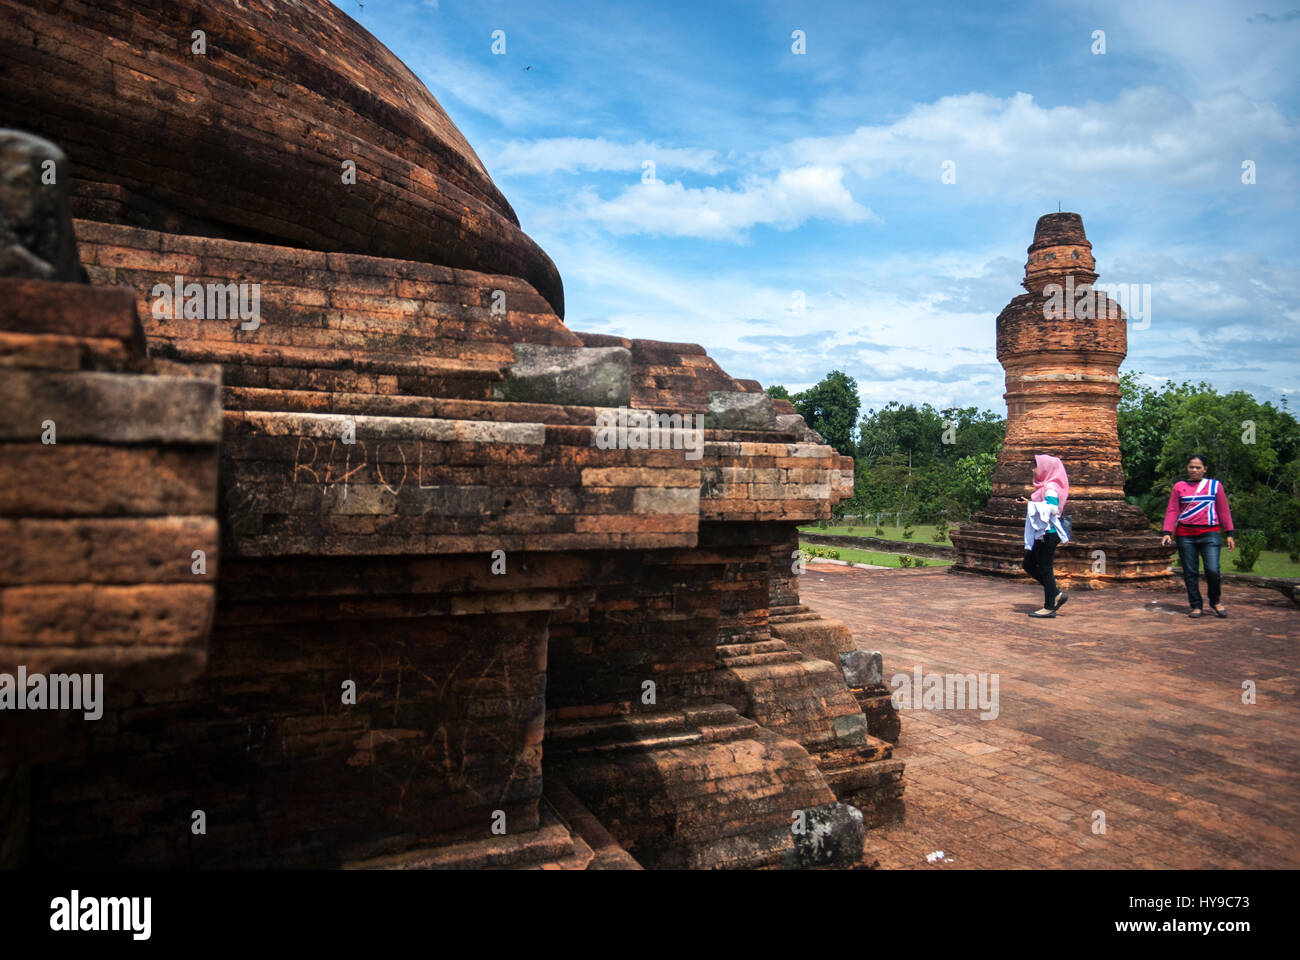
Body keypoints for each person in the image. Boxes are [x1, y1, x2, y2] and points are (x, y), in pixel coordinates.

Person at [1161, 454, 1235, 618]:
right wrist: (1166, 532)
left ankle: (1215, 601)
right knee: (1190, 572)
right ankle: (1196, 605)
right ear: (1187, 468)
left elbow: (1223, 510)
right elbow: (1172, 510)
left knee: (1212, 570)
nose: (1194, 470)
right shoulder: (1179, 487)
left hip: (1210, 534)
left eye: (1198, 467)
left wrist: (1229, 533)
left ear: (1205, 469)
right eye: (1191, 467)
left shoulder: (1215, 486)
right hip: (1185, 535)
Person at [1017, 454, 1071, 618]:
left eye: (1036, 466)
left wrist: (1030, 504)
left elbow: (1053, 509)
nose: (1034, 470)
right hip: (1043, 534)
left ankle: (1049, 607)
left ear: (1046, 469)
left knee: (1046, 569)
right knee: (1029, 564)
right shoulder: (1045, 487)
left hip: (1049, 534)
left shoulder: (1050, 487)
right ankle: (1055, 593)